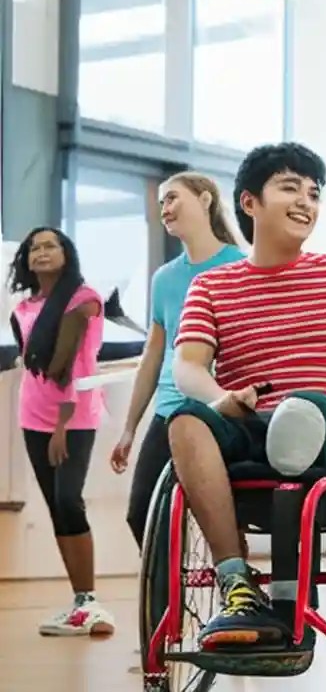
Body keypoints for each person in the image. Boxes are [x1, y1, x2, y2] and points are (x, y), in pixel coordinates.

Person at [167, 142, 326, 650]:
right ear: (249, 203)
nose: (306, 200)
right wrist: (223, 398)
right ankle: (238, 584)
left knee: (302, 409)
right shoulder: (212, 287)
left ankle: (287, 602)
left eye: (314, 192)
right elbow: (188, 365)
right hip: (255, 425)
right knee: (186, 421)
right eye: (290, 187)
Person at [110, 172, 246, 548]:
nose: (165, 209)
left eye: (172, 199)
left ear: (205, 200)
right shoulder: (164, 279)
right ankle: (166, 607)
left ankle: (238, 593)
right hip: (169, 410)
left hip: (221, 410)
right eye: (161, 204)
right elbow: (153, 355)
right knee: (142, 516)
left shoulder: (240, 267)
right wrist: (128, 429)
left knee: (227, 518)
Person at [7, 226, 113, 636]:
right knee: (56, 505)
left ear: (67, 254)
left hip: (73, 417)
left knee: (69, 498)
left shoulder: (84, 301)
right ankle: (79, 601)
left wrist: (62, 426)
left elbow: (75, 366)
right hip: (32, 415)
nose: (41, 252)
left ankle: (90, 599)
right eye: (34, 247)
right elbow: (28, 362)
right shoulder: (23, 307)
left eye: (51, 245)